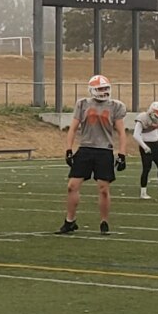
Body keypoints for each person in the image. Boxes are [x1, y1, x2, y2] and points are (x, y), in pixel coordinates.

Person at [59, 74, 128, 235]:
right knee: (72, 186)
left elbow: (121, 132)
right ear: (92, 90)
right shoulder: (83, 104)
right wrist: (69, 149)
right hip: (85, 149)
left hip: (104, 150)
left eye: (106, 88)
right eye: (100, 88)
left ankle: (104, 222)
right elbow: (73, 128)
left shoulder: (115, 106)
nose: (104, 91)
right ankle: (70, 221)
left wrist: (122, 153)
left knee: (103, 188)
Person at [133, 101, 158, 200]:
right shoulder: (142, 118)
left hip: (156, 144)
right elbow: (136, 135)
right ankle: (143, 192)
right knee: (147, 168)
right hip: (146, 144)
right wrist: (144, 146)